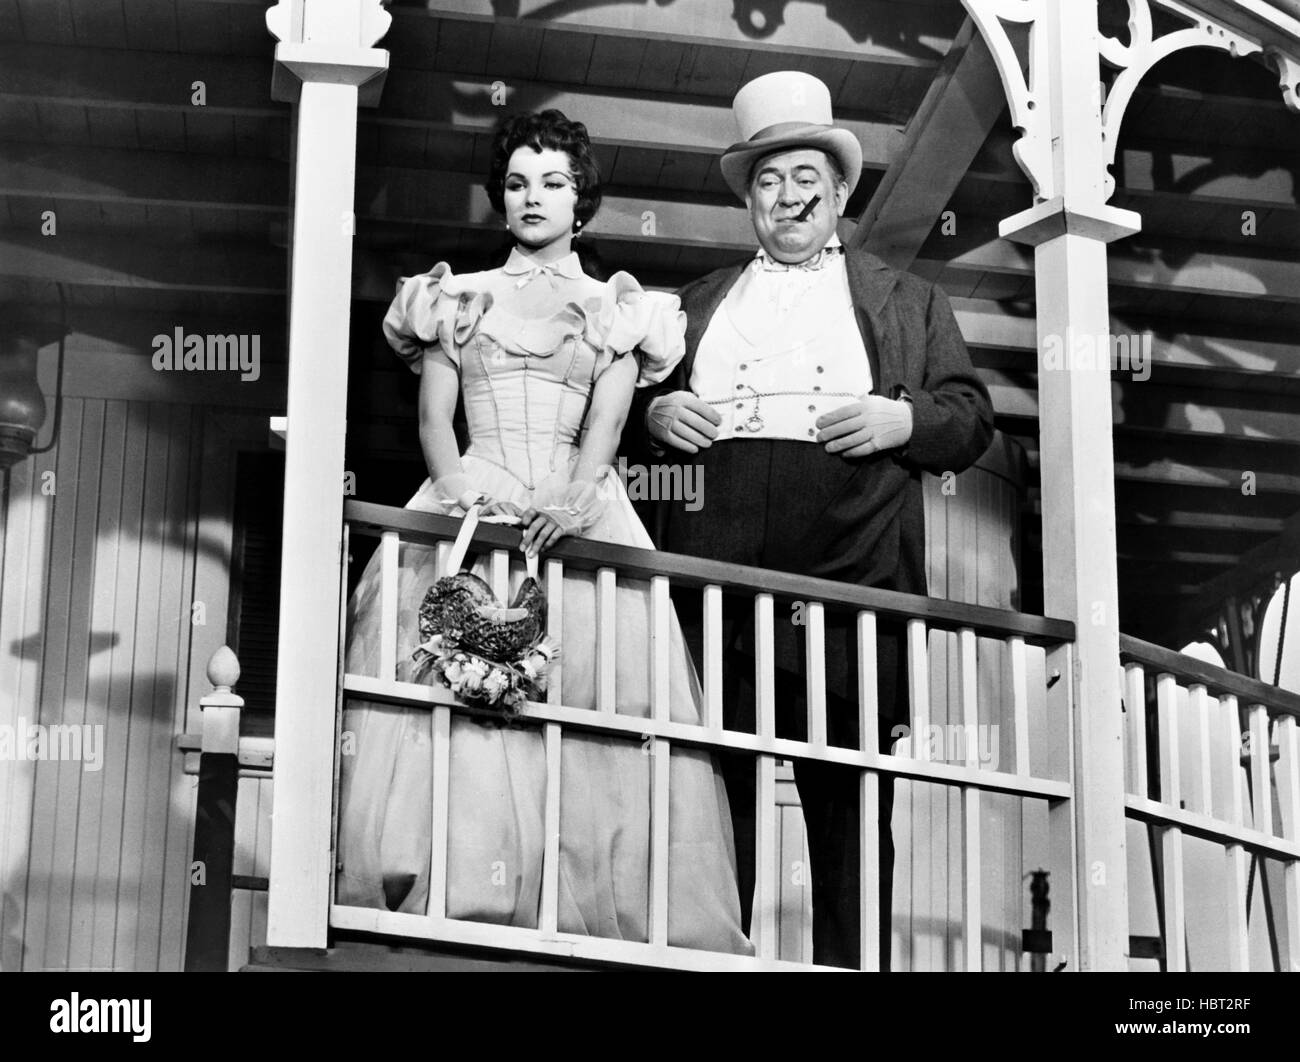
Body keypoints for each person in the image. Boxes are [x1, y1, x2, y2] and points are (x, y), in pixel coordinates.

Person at [335, 109, 750, 956]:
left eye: (553, 183)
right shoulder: (455, 296)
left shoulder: (621, 308)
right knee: (454, 700)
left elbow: (605, 428)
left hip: (576, 503)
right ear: (502, 196)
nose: (533, 197)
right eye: (519, 181)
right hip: (471, 497)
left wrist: (573, 498)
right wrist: (458, 496)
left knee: (594, 701)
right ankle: (459, 889)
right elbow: (433, 422)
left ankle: (585, 905)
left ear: (581, 201)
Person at [634, 72, 995, 969]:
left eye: (807, 179)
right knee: (710, 812)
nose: (789, 197)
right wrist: (656, 414)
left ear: (840, 194)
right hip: (712, 604)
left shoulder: (908, 303)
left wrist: (903, 419)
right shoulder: (693, 306)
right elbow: (622, 441)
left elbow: (970, 419)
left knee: (851, 819)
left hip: (848, 602)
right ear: (747, 197)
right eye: (768, 180)